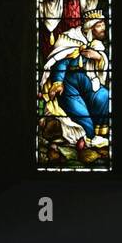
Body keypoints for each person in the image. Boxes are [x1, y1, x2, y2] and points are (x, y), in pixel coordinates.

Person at [41, 12, 110, 146]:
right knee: (83, 117)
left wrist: (98, 57)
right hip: (68, 83)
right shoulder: (69, 39)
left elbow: (101, 63)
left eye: (103, 24)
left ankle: (100, 134)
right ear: (90, 28)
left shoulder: (95, 43)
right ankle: (88, 137)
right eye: (100, 25)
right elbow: (60, 62)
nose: (103, 28)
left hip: (87, 79)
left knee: (104, 95)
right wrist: (58, 82)